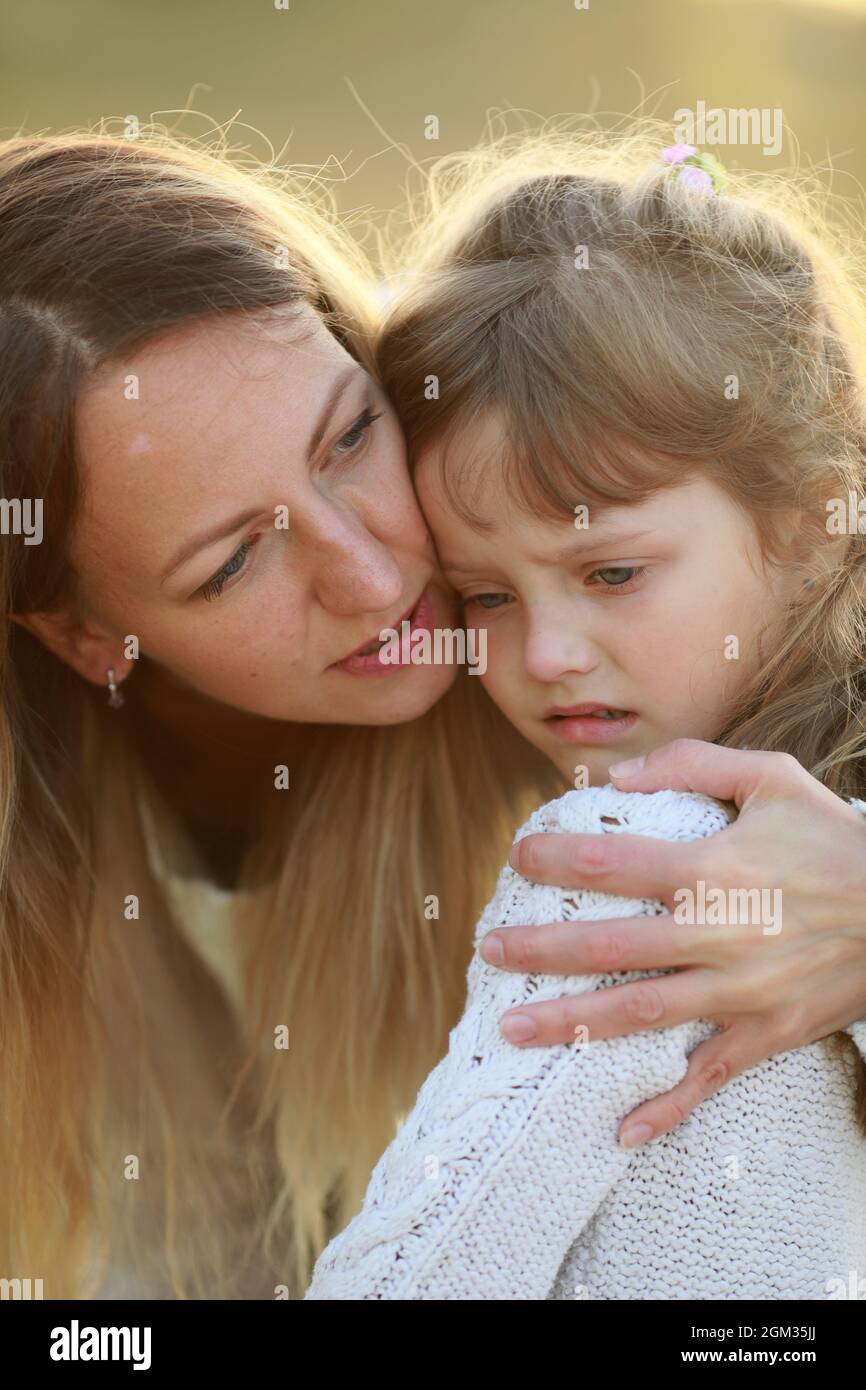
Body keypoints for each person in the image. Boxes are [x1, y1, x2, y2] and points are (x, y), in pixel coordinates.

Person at [1, 126, 864, 1301]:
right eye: (230, 563)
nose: (377, 576)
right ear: (87, 637)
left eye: (349, 437)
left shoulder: (542, 453)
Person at [305, 131, 866, 1298]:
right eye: (487, 595)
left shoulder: (624, 863)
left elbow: (427, 1270)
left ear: (813, 526)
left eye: (610, 572)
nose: (544, 656)